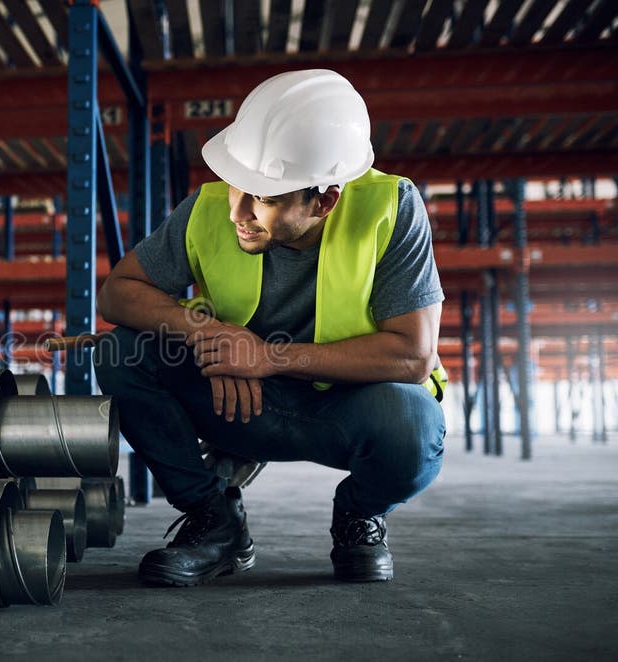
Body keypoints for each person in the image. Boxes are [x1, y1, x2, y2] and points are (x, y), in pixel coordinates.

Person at [93, 69, 446, 587]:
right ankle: (214, 522)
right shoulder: (212, 208)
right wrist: (205, 332)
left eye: (265, 197)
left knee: (414, 425)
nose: (237, 210)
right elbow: (117, 292)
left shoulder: (390, 210)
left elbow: (413, 357)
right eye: (238, 185)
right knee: (119, 353)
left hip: (348, 409)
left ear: (324, 200)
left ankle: (357, 517)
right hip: (241, 402)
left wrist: (270, 358)